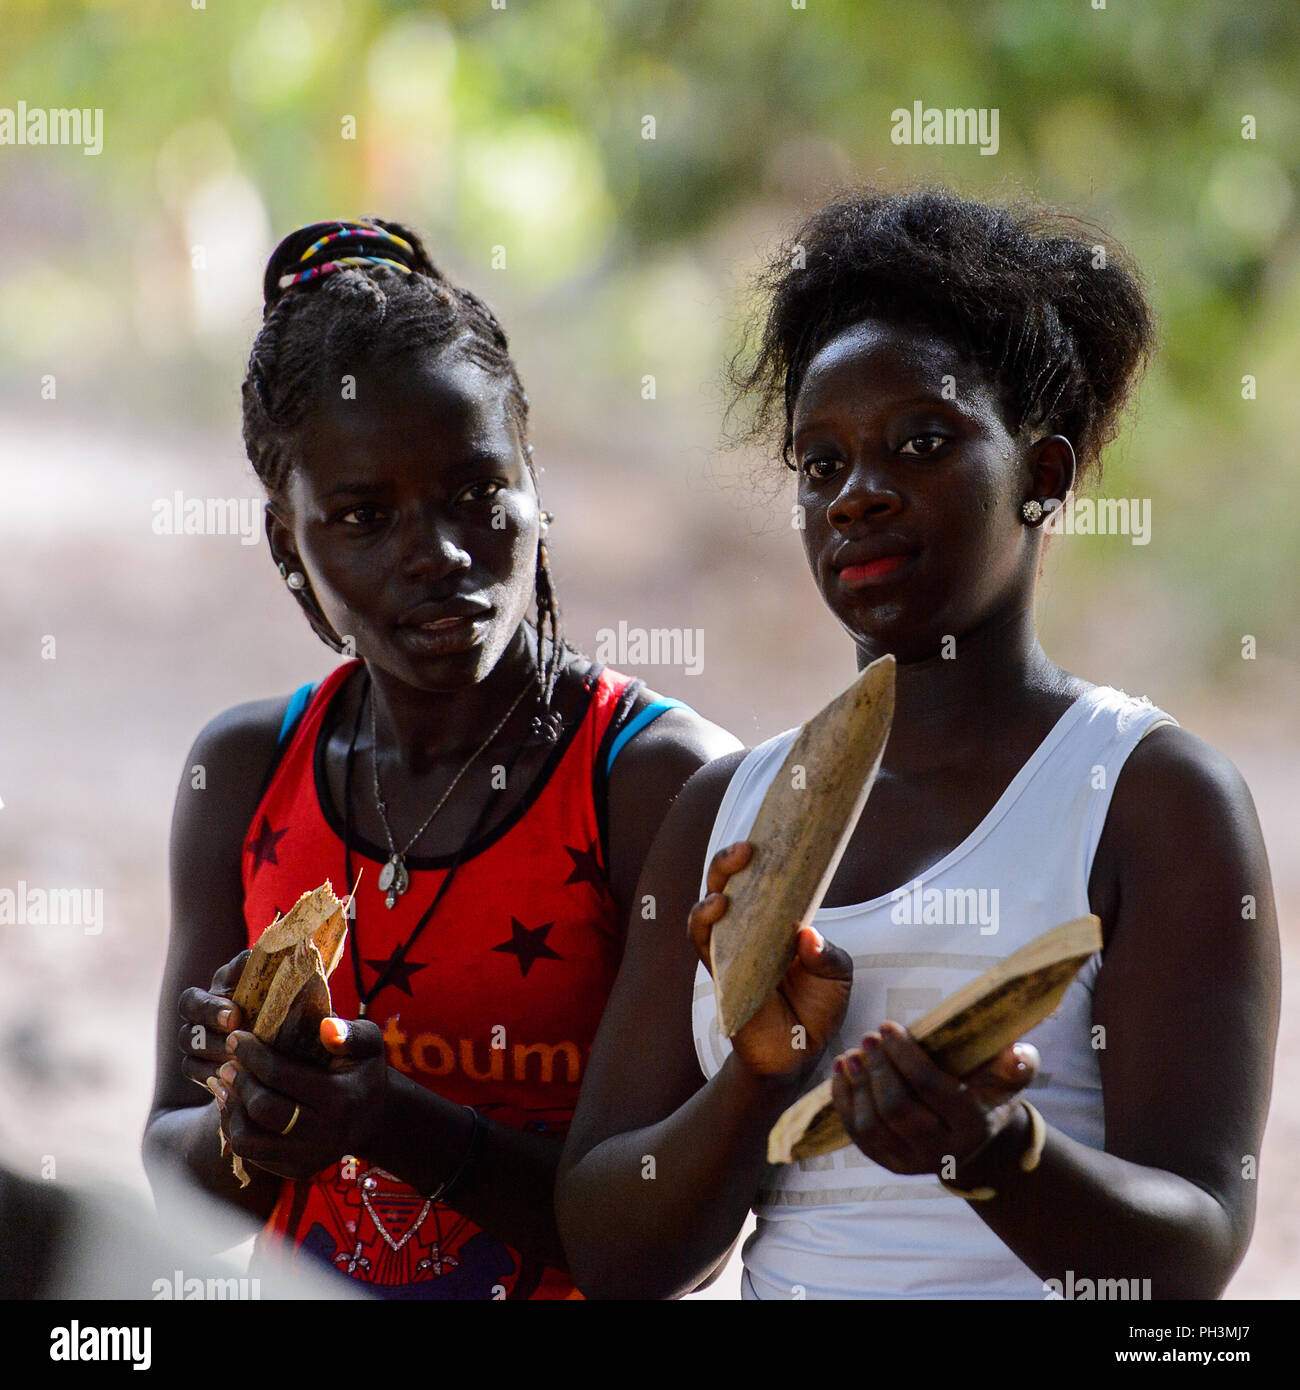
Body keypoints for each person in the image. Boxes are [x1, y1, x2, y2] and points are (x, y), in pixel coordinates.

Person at [555, 187, 1281, 1300]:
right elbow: (610, 1246)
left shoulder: (1147, 798)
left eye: (921, 443)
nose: (856, 496)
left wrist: (990, 1155)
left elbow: (1189, 1256)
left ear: (1042, 477)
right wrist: (758, 1076)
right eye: (821, 464)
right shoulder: (725, 816)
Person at [142, 219, 738, 1299]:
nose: (440, 556)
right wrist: (249, 1102)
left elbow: (659, 1237)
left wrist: (390, 1120)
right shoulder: (244, 773)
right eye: (364, 517)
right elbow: (175, 1178)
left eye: (475, 492)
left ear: (533, 483)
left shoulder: (654, 785)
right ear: (289, 540)